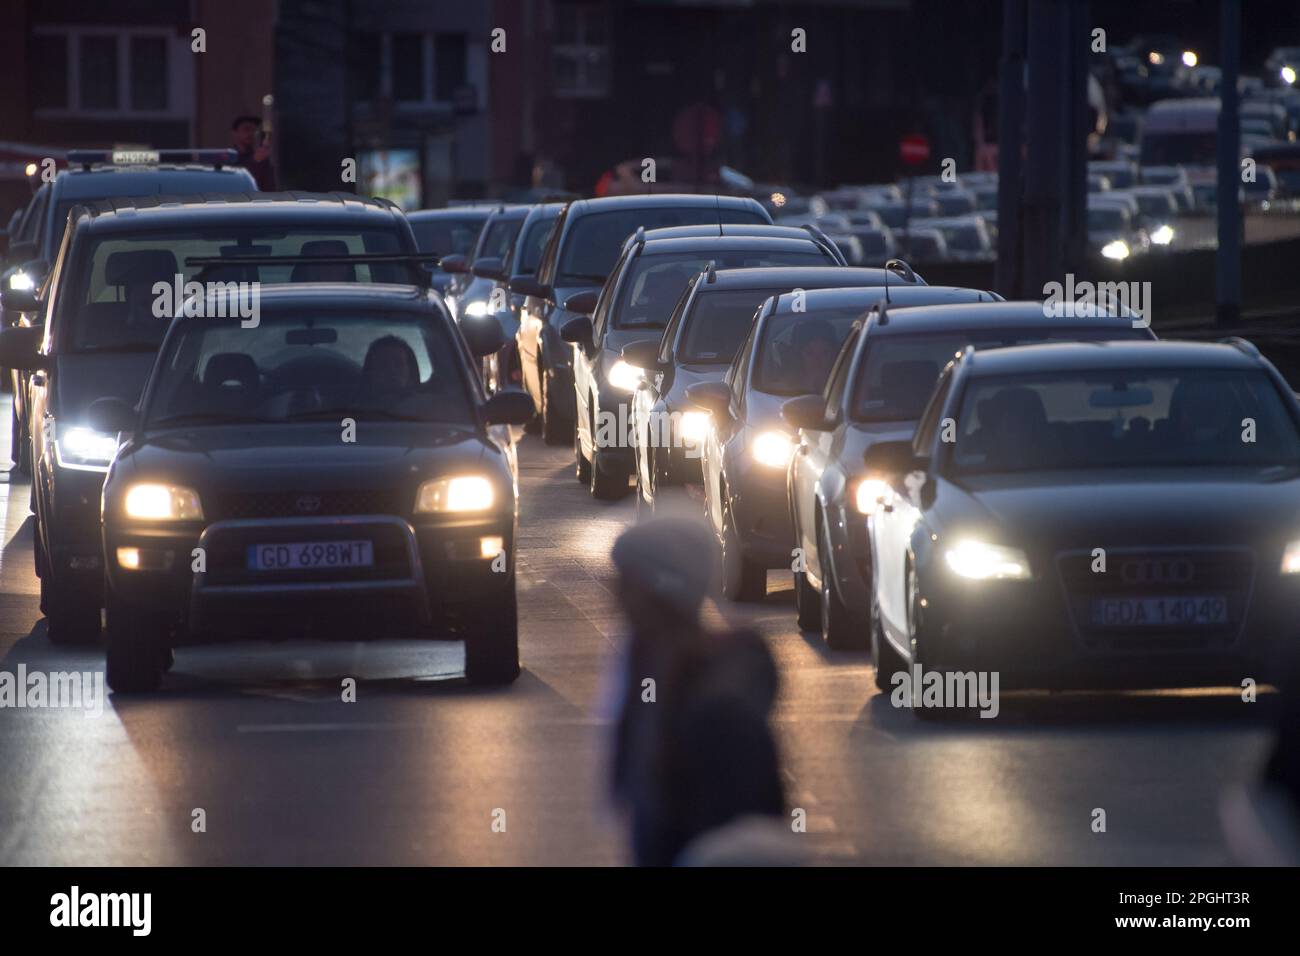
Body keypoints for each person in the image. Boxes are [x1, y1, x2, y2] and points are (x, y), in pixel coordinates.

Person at [606, 518, 796, 865]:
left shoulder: (719, 713)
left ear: (659, 593)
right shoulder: (647, 670)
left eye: (626, 585)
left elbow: (747, 842)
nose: (615, 601)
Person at [230, 115, 276, 191]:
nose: (251, 133)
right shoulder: (228, 157)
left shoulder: (262, 159)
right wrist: (254, 161)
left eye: (254, 130)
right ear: (235, 133)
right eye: (246, 129)